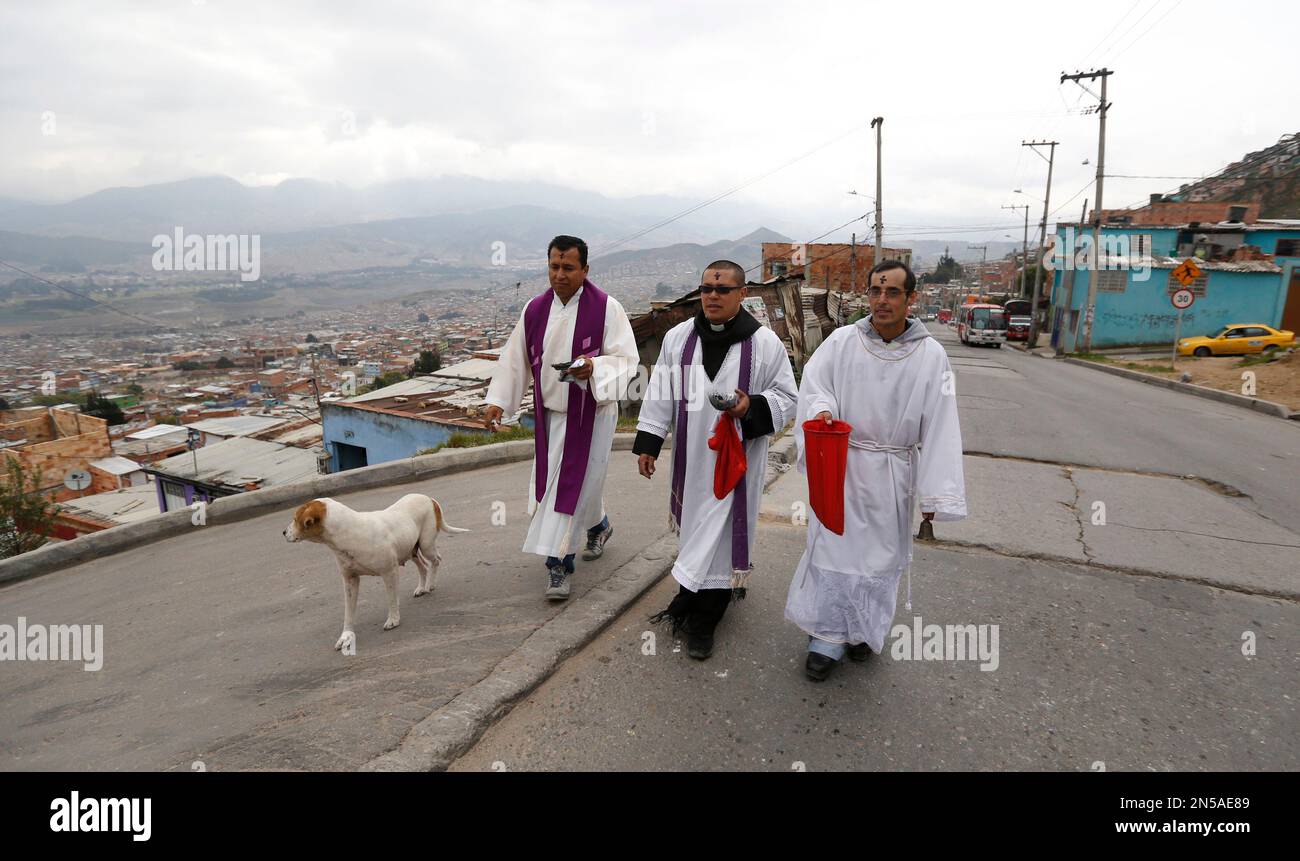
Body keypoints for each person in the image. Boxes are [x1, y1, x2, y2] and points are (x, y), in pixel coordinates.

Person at [784, 260, 966, 680]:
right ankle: (826, 637)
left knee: (877, 561)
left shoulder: (931, 355)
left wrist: (935, 494)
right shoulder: (843, 341)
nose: (881, 301)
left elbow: (942, 424)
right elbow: (815, 384)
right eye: (875, 292)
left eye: (893, 293)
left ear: (911, 299)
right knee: (833, 550)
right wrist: (823, 411)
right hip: (842, 467)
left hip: (891, 473)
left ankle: (864, 631)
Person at [635, 261, 797, 659]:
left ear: (742, 294)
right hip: (693, 461)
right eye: (706, 288)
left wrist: (751, 407)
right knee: (694, 527)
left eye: (722, 289)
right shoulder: (678, 339)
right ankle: (694, 592)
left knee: (724, 533)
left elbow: (788, 398)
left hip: (736, 464)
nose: (712, 295)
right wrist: (648, 443)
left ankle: (707, 618)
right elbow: (660, 392)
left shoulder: (765, 345)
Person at [483, 235, 638, 600]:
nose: (560, 274)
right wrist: (498, 401)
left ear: (585, 269)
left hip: (592, 415)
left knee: (573, 488)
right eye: (554, 266)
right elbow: (515, 360)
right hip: (552, 417)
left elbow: (626, 360)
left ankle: (559, 563)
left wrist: (594, 367)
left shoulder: (607, 309)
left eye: (569, 267)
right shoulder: (535, 310)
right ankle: (592, 531)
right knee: (572, 488)